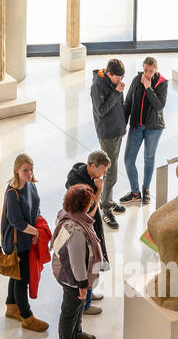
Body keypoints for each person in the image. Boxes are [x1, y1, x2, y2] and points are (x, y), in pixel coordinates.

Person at [50, 184, 103, 339]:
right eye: (89, 202)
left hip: (63, 268)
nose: (91, 205)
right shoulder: (77, 231)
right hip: (71, 277)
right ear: (83, 205)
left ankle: (77, 333)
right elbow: (77, 262)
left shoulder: (65, 214)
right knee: (69, 312)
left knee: (77, 308)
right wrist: (82, 285)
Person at [1, 153, 49, 332]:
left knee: (16, 273)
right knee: (22, 279)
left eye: (31, 170)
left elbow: (36, 207)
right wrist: (35, 231)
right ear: (16, 170)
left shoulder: (30, 185)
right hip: (17, 242)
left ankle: (11, 307)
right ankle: (26, 317)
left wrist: (37, 228)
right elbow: (16, 221)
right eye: (25, 170)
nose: (29, 174)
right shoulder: (13, 192)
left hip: (28, 238)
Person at [65, 150, 112, 317]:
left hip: (92, 227)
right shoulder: (80, 184)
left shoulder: (84, 174)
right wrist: (99, 190)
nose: (104, 173)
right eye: (103, 169)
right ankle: (86, 305)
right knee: (88, 264)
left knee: (93, 264)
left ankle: (90, 294)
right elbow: (89, 213)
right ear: (92, 166)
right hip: (85, 229)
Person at [120, 56, 168, 205]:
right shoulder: (136, 80)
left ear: (156, 70)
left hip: (154, 128)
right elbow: (128, 102)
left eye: (151, 71)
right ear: (143, 67)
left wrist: (148, 88)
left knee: (149, 158)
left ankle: (146, 189)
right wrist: (123, 124)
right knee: (128, 160)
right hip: (136, 127)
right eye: (146, 70)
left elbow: (159, 105)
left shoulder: (162, 83)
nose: (147, 73)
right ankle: (135, 192)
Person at [89, 58, 129, 228]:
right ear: (109, 73)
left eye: (121, 78)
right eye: (117, 77)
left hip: (117, 131)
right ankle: (105, 208)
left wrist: (122, 126)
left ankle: (108, 200)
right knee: (110, 172)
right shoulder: (97, 85)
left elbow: (119, 106)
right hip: (107, 134)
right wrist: (117, 92)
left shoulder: (114, 83)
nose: (120, 81)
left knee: (112, 169)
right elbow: (102, 110)